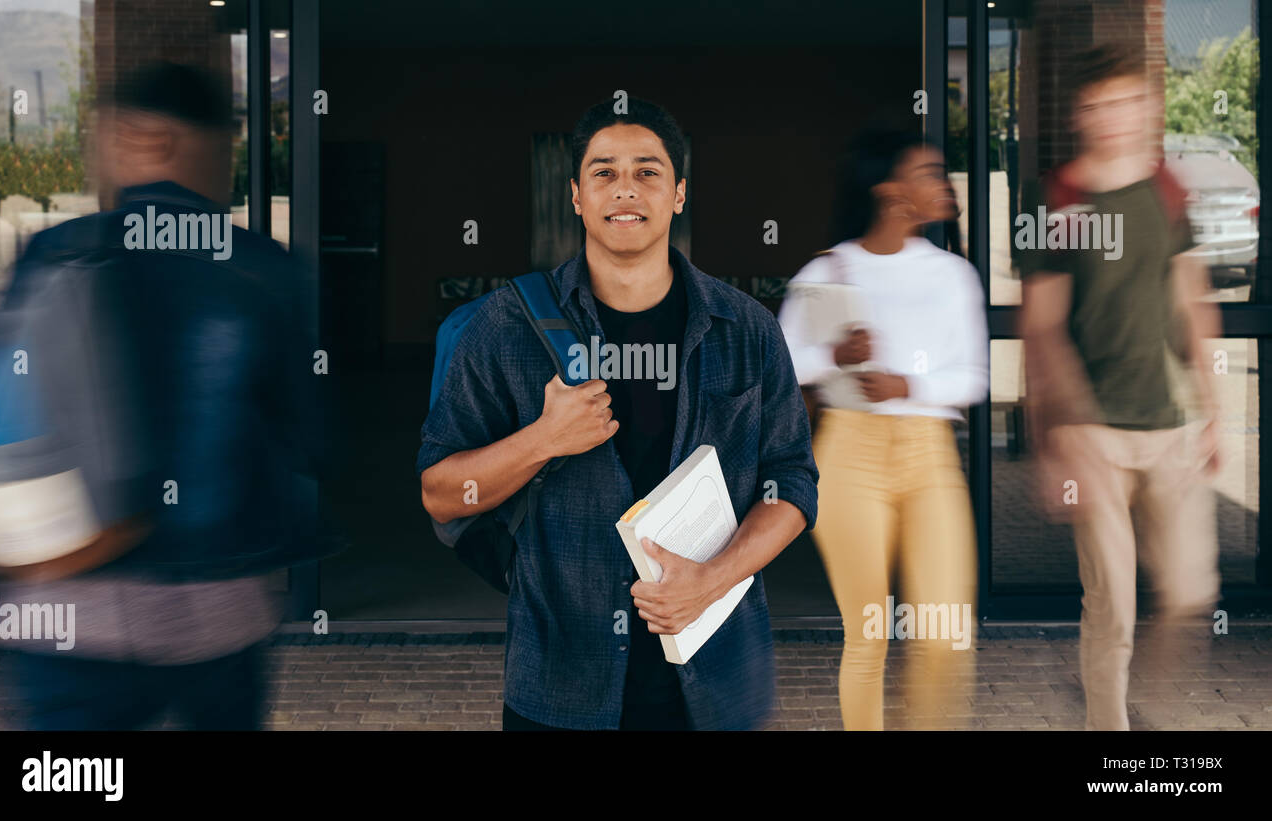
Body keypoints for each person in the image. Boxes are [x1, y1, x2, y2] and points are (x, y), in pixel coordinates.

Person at [418, 98, 818, 731]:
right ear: (576, 195)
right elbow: (441, 494)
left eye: (648, 171)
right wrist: (543, 439)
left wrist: (711, 578)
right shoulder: (502, 329)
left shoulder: (747, 329)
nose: (624, 189)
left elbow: (793, 480)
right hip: (561, 681)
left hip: (714, 680)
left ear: (679, 193)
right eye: (603, 172)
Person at [0, 62, 327, 730]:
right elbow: (312, 437)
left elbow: (8, 416)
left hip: (63, 607)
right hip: (218, 613)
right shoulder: (265, 268)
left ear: (145, 141)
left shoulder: (53, 253)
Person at [1018, 43, 1221, 731]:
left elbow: (1192, 299)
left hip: (1169, 423)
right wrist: (1054, 440)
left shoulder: (1167, 191)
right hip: (1092, 434)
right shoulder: (1060, 198)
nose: (1112, 118)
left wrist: (1215, 412)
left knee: (1193, 587)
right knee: (1113, 607)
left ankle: (1150, 699)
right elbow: (1042, 328)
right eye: (1097, 106)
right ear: (1081, 115)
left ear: (1148, 109)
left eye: (1125, 103)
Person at [779, 128, 988, 730]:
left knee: (946, 634)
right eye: (928, 172)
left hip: (930, 458)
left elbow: (973, 376)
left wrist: (909, 387)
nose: (943, 184)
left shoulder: (954, 275)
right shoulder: (830, 269)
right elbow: (783, 363)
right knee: (869, 633)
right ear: (890, 191)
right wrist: (835, 358)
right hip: (849, 453)